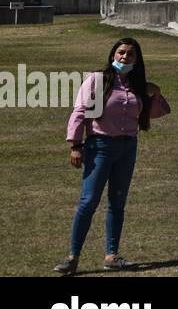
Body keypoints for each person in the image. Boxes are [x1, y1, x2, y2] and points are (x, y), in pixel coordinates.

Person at [56, 37, 171, 275]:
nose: (124, 57)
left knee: (117, 203)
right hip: (99, 147)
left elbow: (158, 112)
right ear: (112, 55)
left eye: (130, 54)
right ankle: (72, 257)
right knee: (88, 202)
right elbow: (80, 112)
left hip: (127, 148)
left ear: (137, 60)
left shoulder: (138, 86)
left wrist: (155, 93)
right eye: (120, 53)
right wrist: (76, 145)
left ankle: (112, 255)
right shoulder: (99, 80)